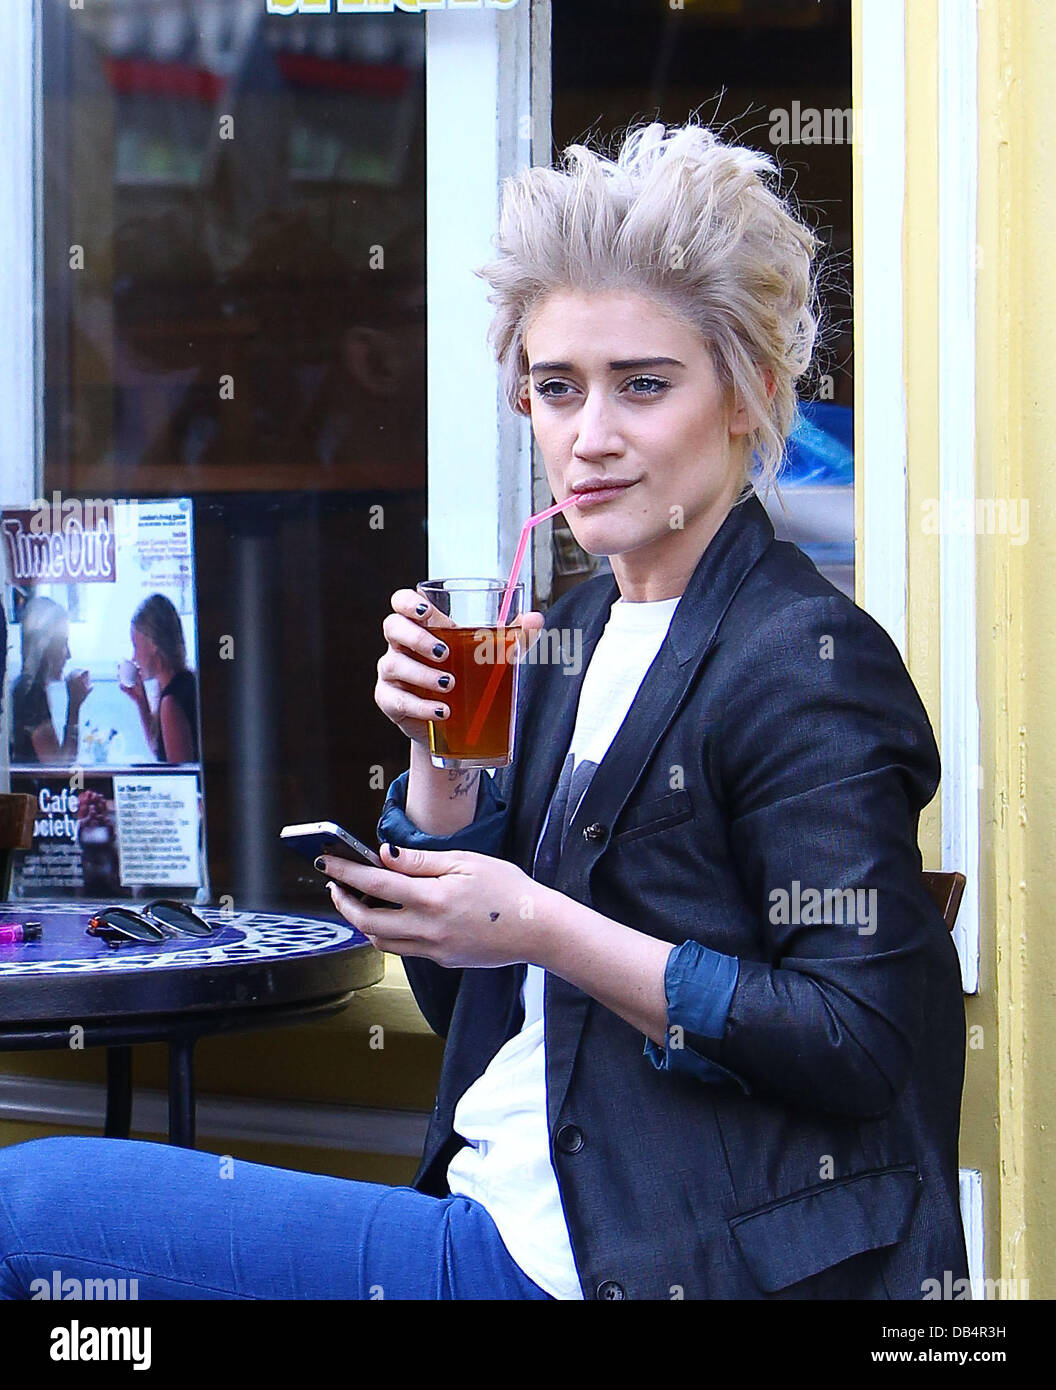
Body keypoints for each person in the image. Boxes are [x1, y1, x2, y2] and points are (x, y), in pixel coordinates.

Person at [0, 121, 968, 1301]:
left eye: (643, 385)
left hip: (610, 1264)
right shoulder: (567, 631)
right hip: (493, 1212)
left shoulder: (807, 660)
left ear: (751, 390)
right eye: (557, 388)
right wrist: (439, 777)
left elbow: (857, 1037)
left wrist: (542, 922)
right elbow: (471, 999)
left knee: (29, 1210)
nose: (589, 436)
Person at [8, 595, 91, 765]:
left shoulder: (28, 688)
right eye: (63, 644)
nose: (68, 654)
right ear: (44, 646)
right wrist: (74, 706)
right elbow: (59, 766)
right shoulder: (31, 693)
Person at [121, 593, 199, 763]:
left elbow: (179, 777)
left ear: (154, 645)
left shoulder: (171, 701)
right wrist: (141, 703)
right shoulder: (186, 682)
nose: (134, 657)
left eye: (136, 646)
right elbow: (160, 749)